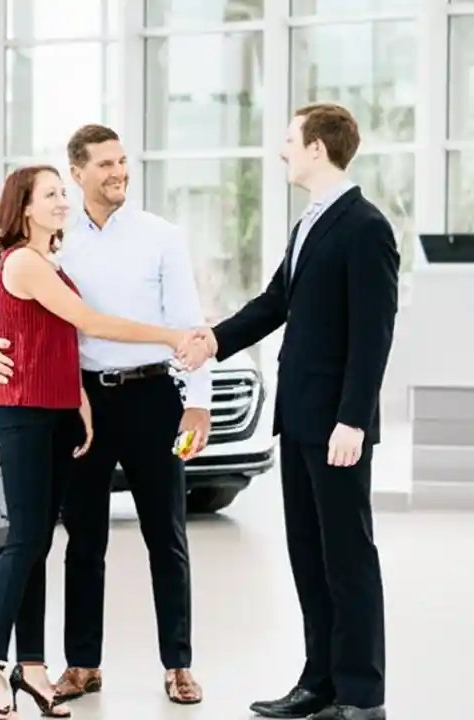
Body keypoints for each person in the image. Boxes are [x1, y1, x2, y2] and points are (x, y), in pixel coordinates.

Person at [0, 124, 211, 705]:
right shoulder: (56, 240)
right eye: (104, 164)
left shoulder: (161, 235)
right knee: (83, 540)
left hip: (156, 398)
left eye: (122, 161)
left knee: (168, 535)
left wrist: (198, 403)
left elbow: (190, 318)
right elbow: (24, 318)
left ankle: (177, 664)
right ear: (77, 171)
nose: (117, 172)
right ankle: (82, 664)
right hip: (79, 404)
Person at [183, 103, 395, 720]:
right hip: (299, 416)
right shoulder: (309, 222)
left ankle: (362, 695)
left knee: (348, 557)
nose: (281, 150)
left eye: (288, 139)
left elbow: (372, 334)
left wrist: (353, 420)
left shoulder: (365, 226)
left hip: (336, 425)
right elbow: (276, 300)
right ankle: (319, 683)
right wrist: (213, 340)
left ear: (317, 149)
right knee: (308, 552)